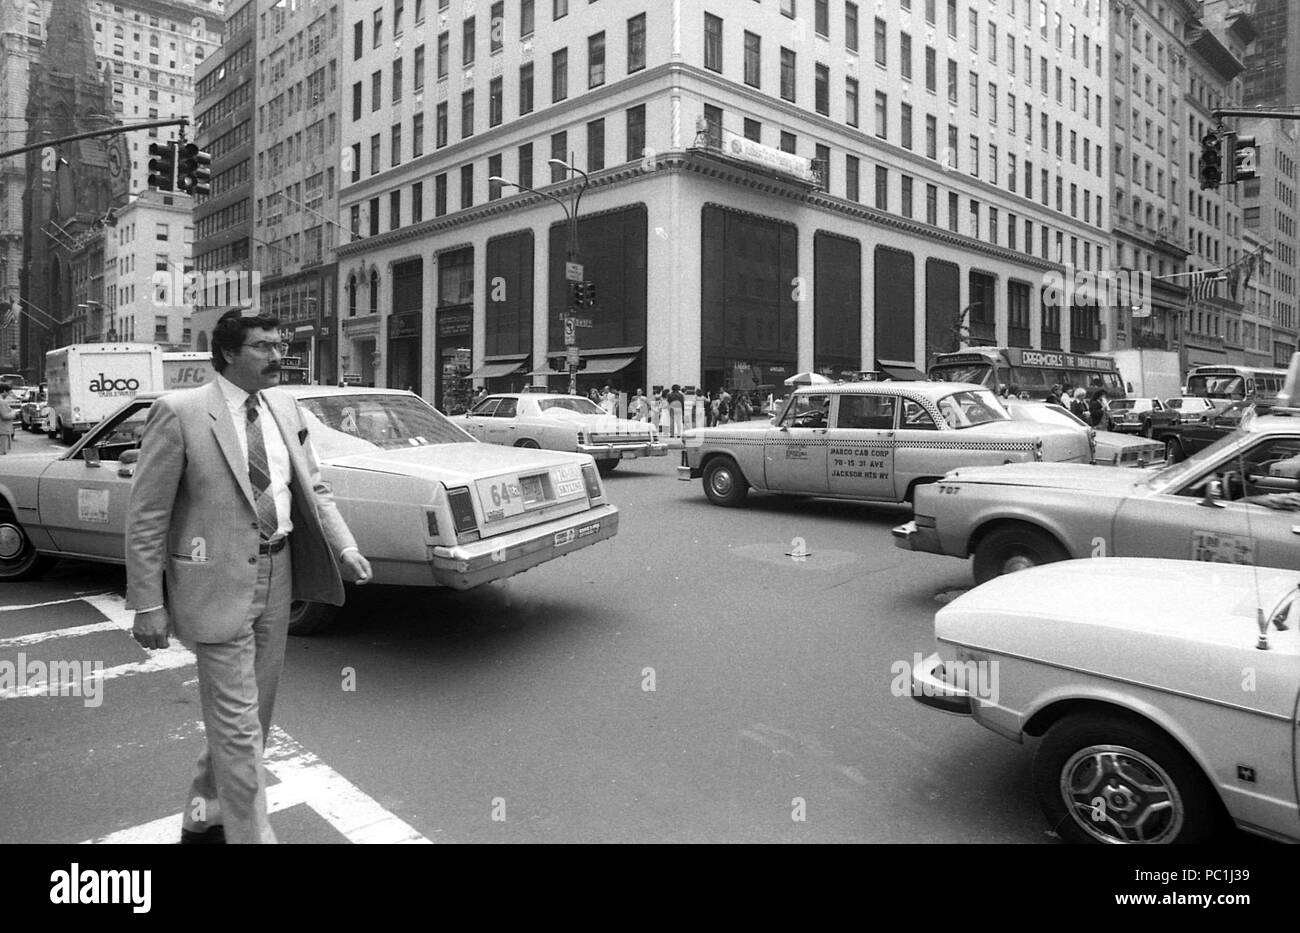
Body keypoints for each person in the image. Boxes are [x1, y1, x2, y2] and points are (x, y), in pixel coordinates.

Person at [125, 310, 373, 845]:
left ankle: (202, 817)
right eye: (263, 346)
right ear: (229, 354)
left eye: (279, 345)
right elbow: (147, 516)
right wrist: (147, 602)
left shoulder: (285, 407)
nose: (277, 355)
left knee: (252, 718)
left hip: (277, 571)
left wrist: (345, 545)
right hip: (212, 585)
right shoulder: (181, 412)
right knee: (239, 730)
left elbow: (314, 487)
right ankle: (251, 836)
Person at [0, 386, 14, 455]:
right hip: (3, 430)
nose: (9, 394)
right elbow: (5, 416)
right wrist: (13, 413)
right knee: (2, 452)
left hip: (2, 430)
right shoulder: (2, 402)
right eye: (9, 392)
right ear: (4, 391)